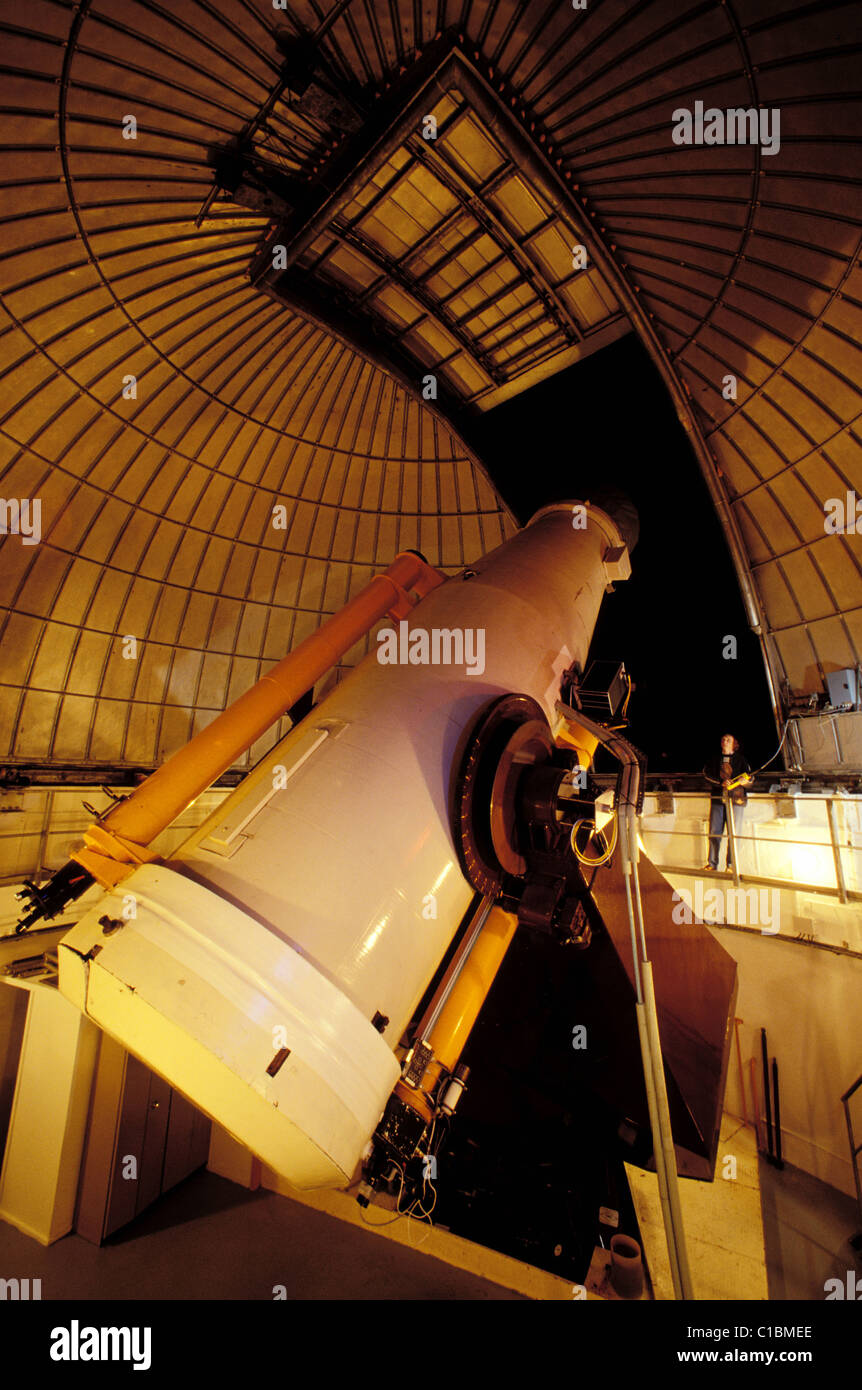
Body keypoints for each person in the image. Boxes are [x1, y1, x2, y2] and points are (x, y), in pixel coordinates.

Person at [703, 734, 752, 871]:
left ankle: (731, 865)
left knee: (734, 832)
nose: (725, 741)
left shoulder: (741, 760)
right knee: (714, 831)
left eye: (728, 740)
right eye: (723, 739)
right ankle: (712, 864)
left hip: (736, 800)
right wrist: (721, 783)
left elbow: (750, 778)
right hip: (718, 800)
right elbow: (706, 776)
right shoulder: (714, 760)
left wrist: (745, 781)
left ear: (734, 744)